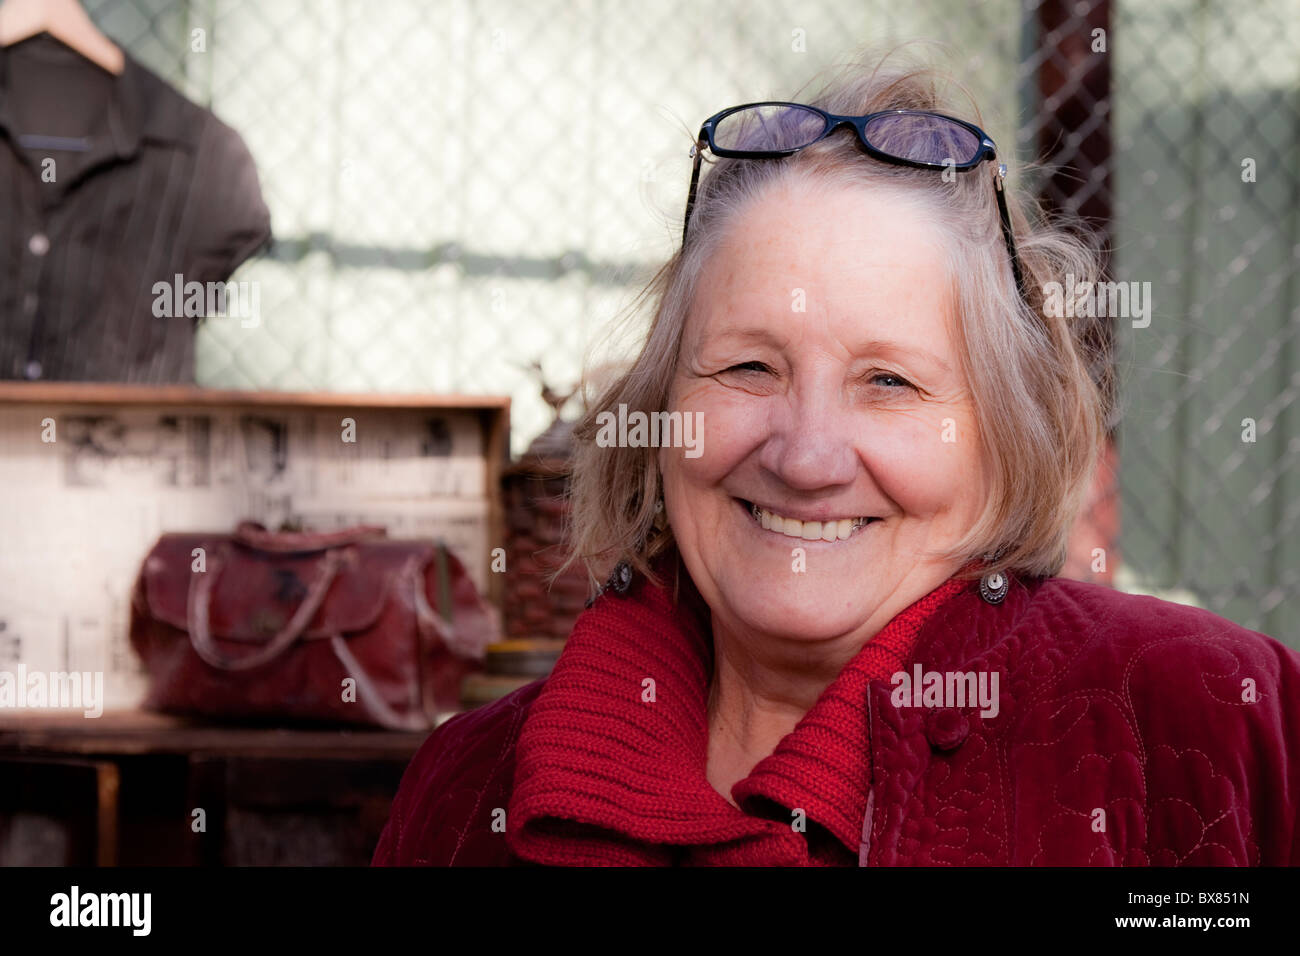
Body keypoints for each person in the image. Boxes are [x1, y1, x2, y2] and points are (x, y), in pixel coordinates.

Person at [373, 49, 1300, 866]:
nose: (808, 455)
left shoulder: (1211, 719)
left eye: (889, 382)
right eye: (747, 367)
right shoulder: (465, 795)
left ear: (1006, 436)